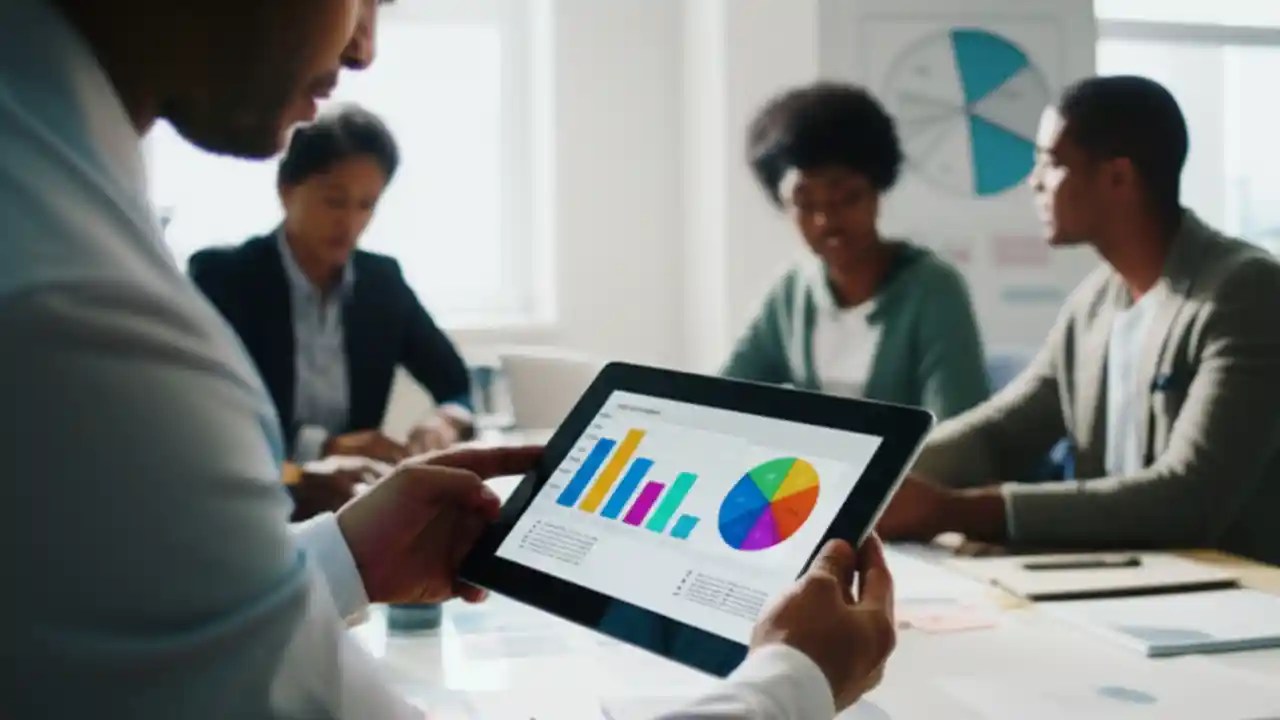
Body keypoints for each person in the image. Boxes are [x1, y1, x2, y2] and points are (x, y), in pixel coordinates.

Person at [0, 1, 896, 718]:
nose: (363, 47)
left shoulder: (53, 218)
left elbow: (134, 610)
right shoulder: (87, 313)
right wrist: (794, 683)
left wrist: (340, 558)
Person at [877, 76, 1280, 566]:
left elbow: (1190, 497)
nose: (1035, 182)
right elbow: (1001, 433)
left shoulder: (1247, 291)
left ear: (1118, 178)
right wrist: (874, 476)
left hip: (1237, 596)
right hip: (1120, 580)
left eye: (1051, 163)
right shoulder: (1093, 303)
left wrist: (954, 511)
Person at [190, 104, 473, 469]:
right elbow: (210, 411)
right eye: (334, 201)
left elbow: (455, 382)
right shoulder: (226, 277)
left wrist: (444, 421)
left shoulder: (381, 282)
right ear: (286, 189)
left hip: (353, 499)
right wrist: (324, 449)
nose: (350, 222)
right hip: (257, 486)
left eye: (367, 204)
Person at [723, 82, 989, 420]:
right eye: (805, 203)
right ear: (782, 203)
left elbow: (957, 427)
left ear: (878, 189)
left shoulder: (933, 289)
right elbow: (727, 392)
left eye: (847, 198)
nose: (826, 221)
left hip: (914, 473)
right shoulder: (792, 291)